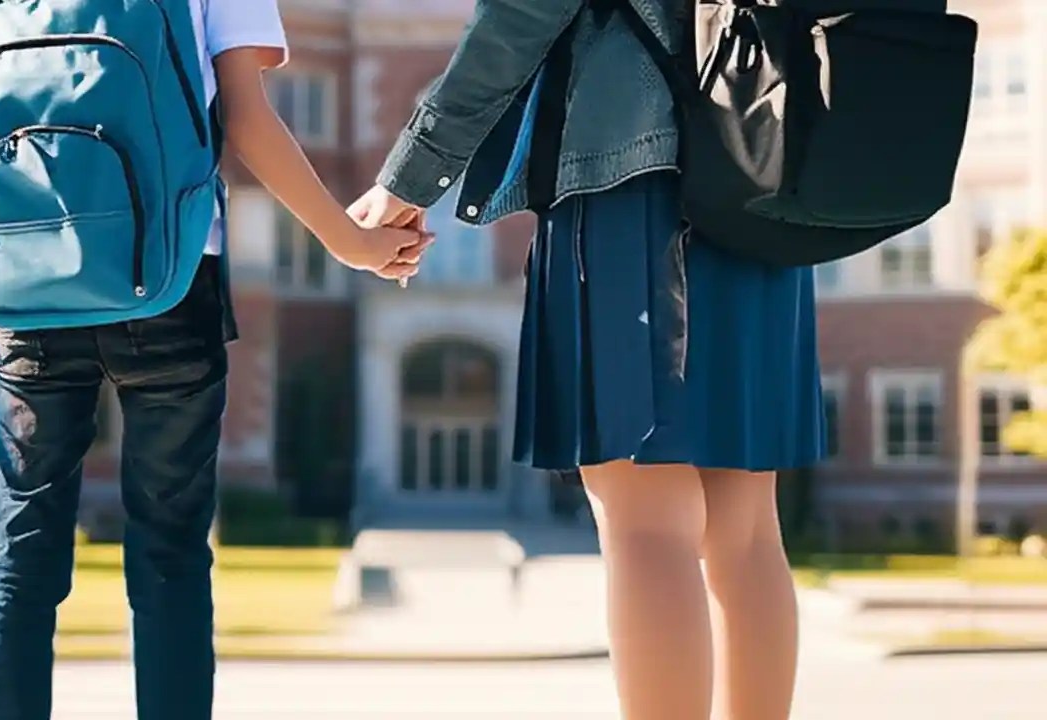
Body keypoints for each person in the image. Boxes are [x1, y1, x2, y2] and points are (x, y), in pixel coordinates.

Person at [349, 1, 824, 719]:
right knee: (745, 526)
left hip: (631, 186)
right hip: (769, 174)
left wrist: (409, 178)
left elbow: (519, 17)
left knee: (646, 518)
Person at [0, 1, 428, 718]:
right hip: (167, 278)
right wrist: (349, 241)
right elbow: (246, 118)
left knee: (19, 563)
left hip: (28, 280)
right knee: (170, 557)